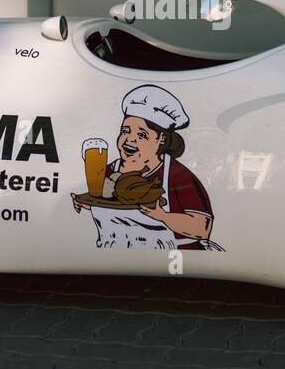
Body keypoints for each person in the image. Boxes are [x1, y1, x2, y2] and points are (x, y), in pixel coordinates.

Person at [72, 84, 223, 251]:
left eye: (141, 135)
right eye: (125, 131)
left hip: (175, 263)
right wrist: (86, 203)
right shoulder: (107, 171)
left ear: (161, 139)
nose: (129, 140)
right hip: (116, 260)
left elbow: (202, 228)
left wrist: (162, 216)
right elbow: (106, 205)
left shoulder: (175, 175)